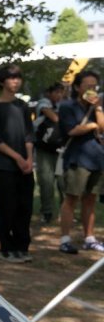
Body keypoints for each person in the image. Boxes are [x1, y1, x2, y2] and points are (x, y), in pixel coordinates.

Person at [0, 64, 36, 262]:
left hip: (25, 166)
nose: (16, 81)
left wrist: (28, 158)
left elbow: (29, 135)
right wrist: (18, 158)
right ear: (2, 81)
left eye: (18, 77)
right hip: (3, 165)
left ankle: (22, 246)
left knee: (25, 207)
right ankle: (7, 248)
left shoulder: (23, 106)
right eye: (12, 77)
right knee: (6, 207)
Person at [57, 69, 104, 254]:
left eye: (94, 86)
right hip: (77, 157)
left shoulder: (97, 106)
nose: (91, 89)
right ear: (77, 87)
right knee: (71, 198)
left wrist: (98, 108)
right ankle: (65, 239)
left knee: (90, 198)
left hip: (97, 157)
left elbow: (102, 128)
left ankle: (89, 238)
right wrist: (91, 125)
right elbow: (72, 131)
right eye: (87, 85)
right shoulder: (68, 106)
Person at [33, 81, 67, 224]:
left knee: (63, 183)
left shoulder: (65, 105)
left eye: (61, 92)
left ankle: (66, 213)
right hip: (44, 150)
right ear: (49, 93)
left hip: (61, 150)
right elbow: (54, 118)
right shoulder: (44, 103)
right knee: (46, 182)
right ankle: (47, 212)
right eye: (56, 92)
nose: (59, 95)